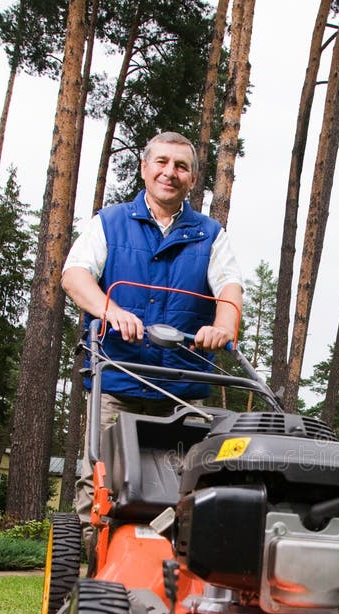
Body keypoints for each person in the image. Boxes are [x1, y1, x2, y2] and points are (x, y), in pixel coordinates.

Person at [62, 130, 244, 538]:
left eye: (181, 166)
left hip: (184, 389)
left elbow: (230, 286)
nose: (170, 172)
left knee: (193, 491)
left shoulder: (210, 234)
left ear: (193, 180)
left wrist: (222, 326)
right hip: (120, 382)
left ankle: (178, 587)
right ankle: (90, 590)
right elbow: (75, 276)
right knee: (101, 488)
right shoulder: (110, 223)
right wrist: (112, 310)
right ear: (145, 169)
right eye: (161, 162)